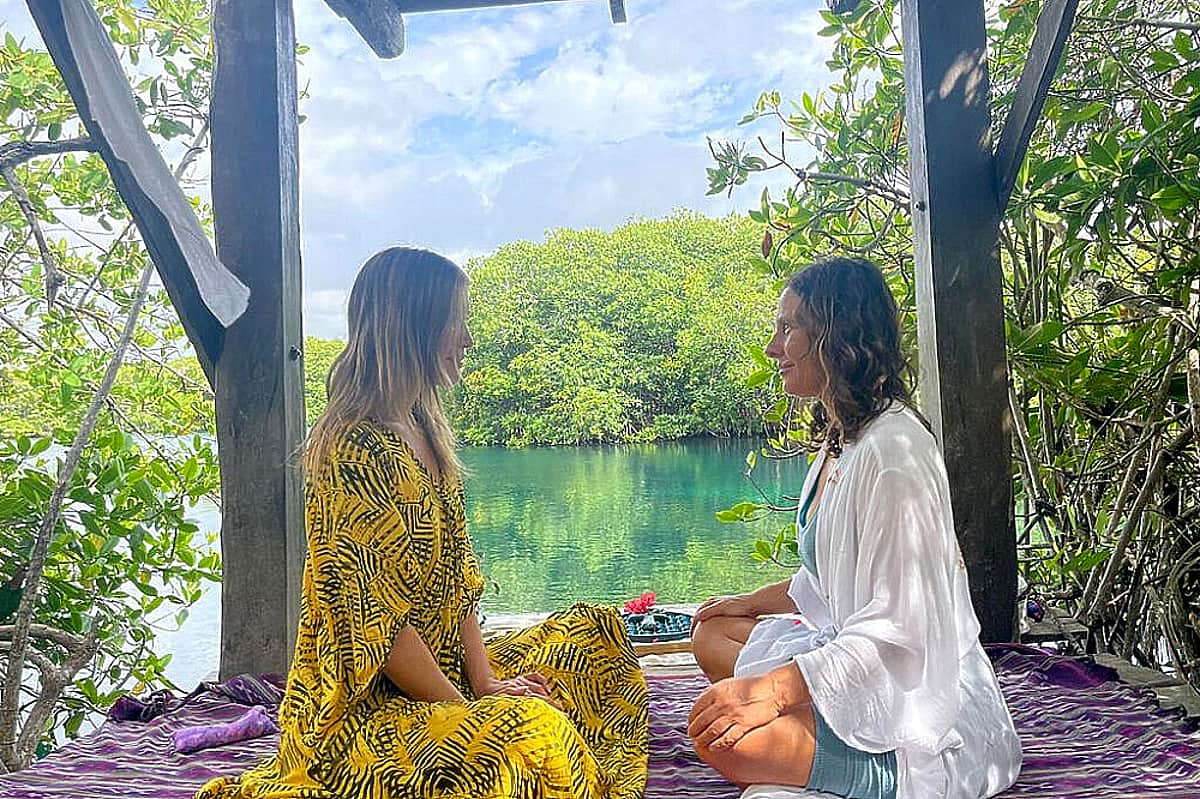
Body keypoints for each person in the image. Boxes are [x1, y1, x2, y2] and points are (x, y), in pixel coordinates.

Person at [197, 247, 648, 799]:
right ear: (415, 326)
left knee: (594, 636)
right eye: (458, 322)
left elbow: (459, 586)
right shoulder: (354, 449)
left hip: (445, 667)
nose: (468, 339)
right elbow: (377, 631)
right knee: (532, 736)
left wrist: (487, 682)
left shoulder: (424, 427)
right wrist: (474, 714)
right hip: (365, 705)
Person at [688, 258, 1021, 799]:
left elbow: (900, 626)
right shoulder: (843, 439)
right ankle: (810, 738)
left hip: (920, 694)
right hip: (855, 657)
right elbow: (828, 577)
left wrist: (774, 692)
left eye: (787, 328)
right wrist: (748, 604)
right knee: (712, 634)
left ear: (836, 337)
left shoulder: (894, 453)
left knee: (723, 740)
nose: (773, 348)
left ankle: (887, 774)